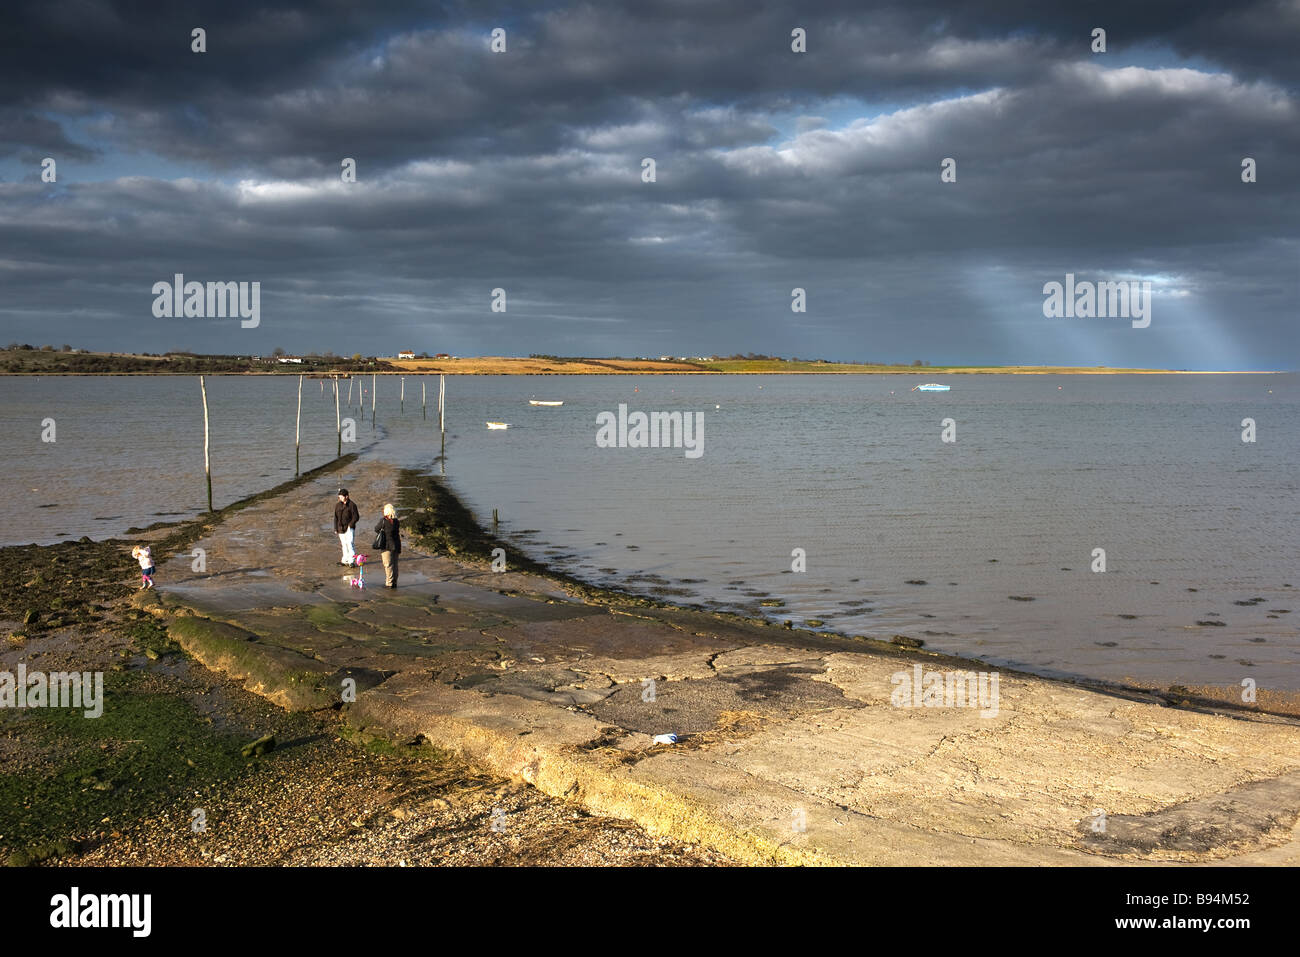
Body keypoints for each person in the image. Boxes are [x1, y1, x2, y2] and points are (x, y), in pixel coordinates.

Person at [374, 503, 401, 588]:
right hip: (396, 545)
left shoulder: (384, 521)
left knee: (388, 565)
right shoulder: (396, 521)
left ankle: (389, 583)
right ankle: (394, 583)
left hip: (387, 545)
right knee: (395, 565)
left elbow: (376, 529)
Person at [333, 488, 359, 566]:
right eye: (339, 497)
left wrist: (350, 525)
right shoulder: (337, 505)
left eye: (341, 496)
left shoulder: (352, 505)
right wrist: (335, 528)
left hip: (349, 528)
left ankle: (351, 561)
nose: (339, 498)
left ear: (346, 496)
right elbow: (335, 517)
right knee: (344, 544)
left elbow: (356, 517)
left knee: (350, 544)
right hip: (340, 528)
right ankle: (344, 560)